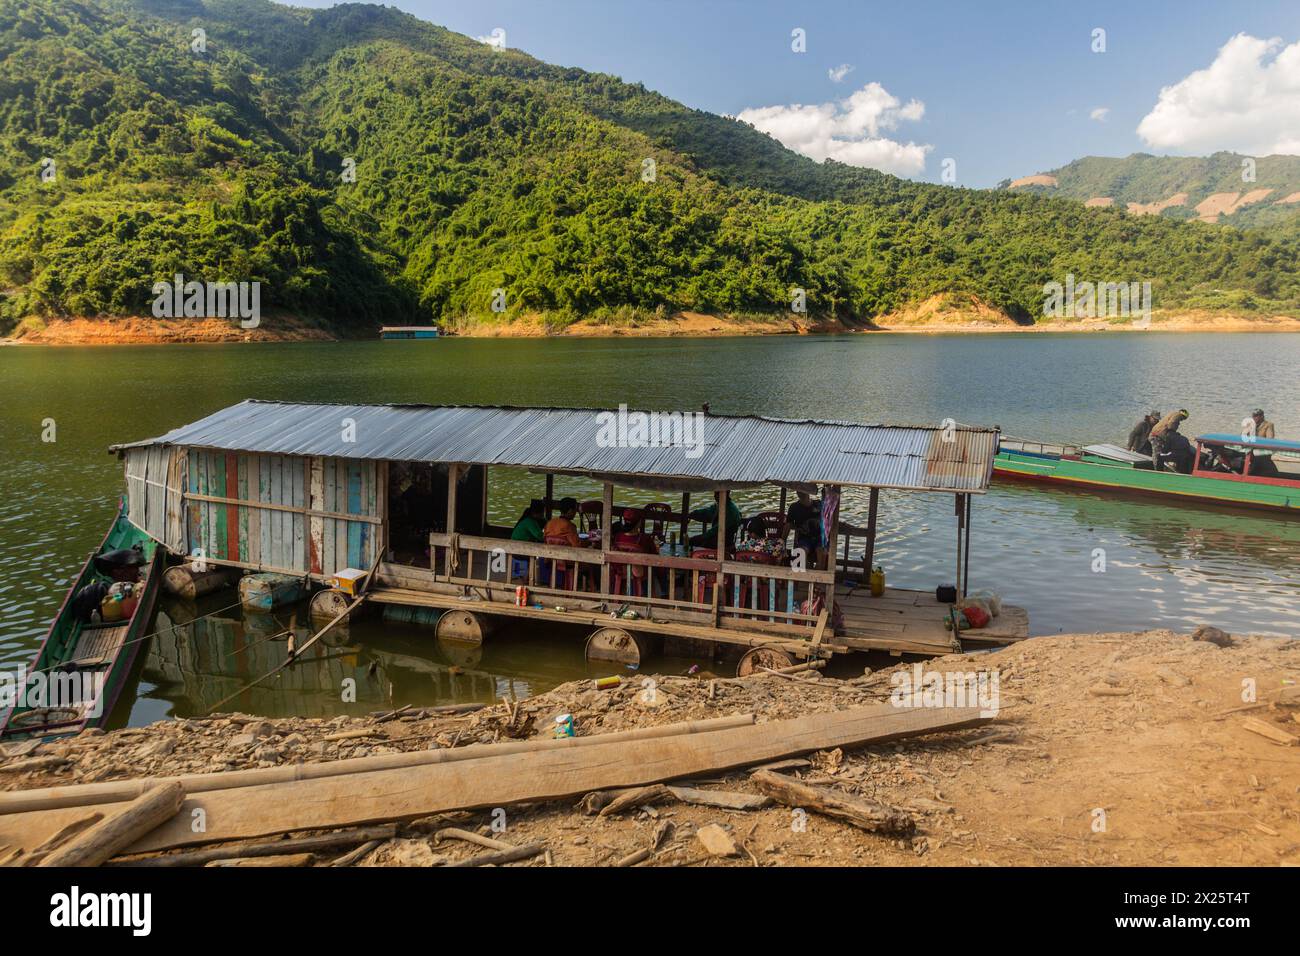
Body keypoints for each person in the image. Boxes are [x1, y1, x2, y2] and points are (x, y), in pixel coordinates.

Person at [785, 490, 823, 564]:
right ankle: (805, 573)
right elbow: (788, 524)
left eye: (803, 491)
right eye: (798, 491)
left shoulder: (819, 504)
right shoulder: (794, 507)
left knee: (822, 552)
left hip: (819, 538)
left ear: (808, 491)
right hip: (803, 539)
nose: (800, 493)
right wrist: (783, 541)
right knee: (802, 552)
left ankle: (818, 572)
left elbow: (828, 519)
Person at [1248, 408, 1279, 476]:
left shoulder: (1268, 425)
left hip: (1262, 450)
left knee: (1258, 462)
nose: (1254, 417)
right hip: (1252, 449)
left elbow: (1269, 439)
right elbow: (1242, 436)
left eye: (1257, 416)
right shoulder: (1251, 425)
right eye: (1253, 416)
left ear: (1262, 416)